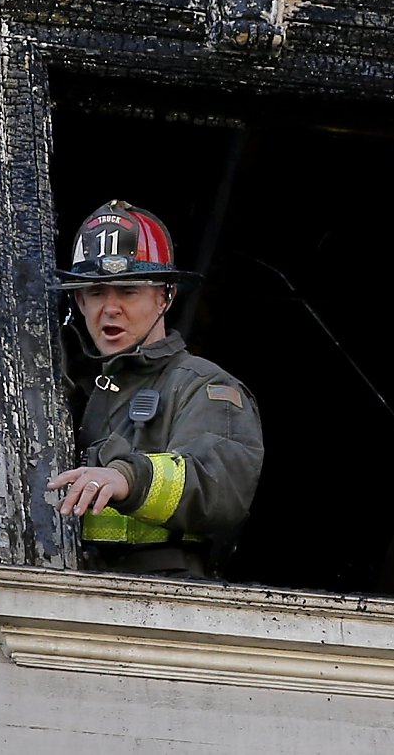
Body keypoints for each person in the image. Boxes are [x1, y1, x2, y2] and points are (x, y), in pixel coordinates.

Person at [46, 200, 264, 578]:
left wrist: (129, 478)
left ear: (165, 297)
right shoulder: (63, 392)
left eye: (128, 291)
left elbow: (222, 485)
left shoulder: (204, 387)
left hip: (168, 600)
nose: (110, 308)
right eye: (96, 293)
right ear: (79, 300)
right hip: (74, 593)